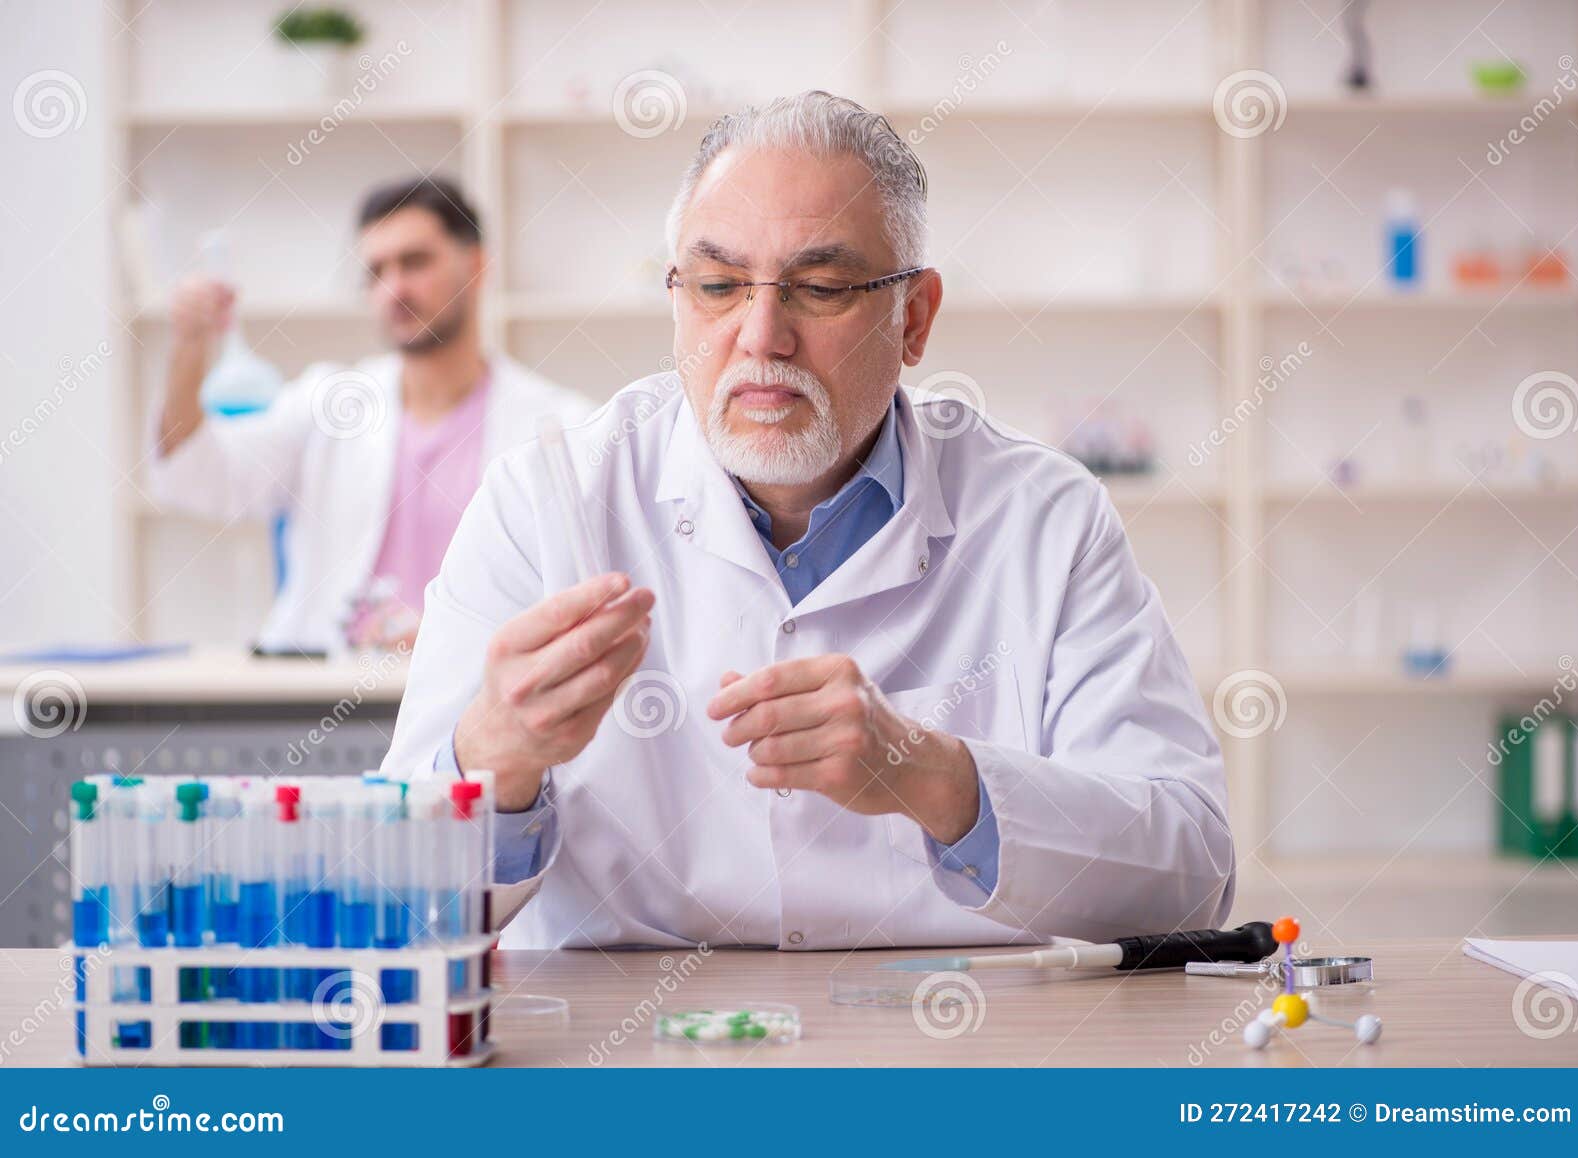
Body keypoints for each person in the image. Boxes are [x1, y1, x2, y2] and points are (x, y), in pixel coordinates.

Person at [382, 93, 1234, 950]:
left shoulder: (1044, 516)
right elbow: (398, 910)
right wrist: (494, 761)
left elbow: (1193, 873)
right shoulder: (545, 500)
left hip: (955, 1046)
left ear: (915, 317)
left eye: (821, 289)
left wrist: (940, 780)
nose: (761, 336)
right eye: (718, 286)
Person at [147, 177, 593, 653]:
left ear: (477, 266)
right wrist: (189, 350)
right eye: (376, 271)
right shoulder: (327, 404)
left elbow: (579, 590)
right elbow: (194, 475)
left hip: (480, 696)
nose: (394, 288)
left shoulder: (558, 425)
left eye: (415, 262)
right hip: (328, 700)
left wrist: (455, 640)